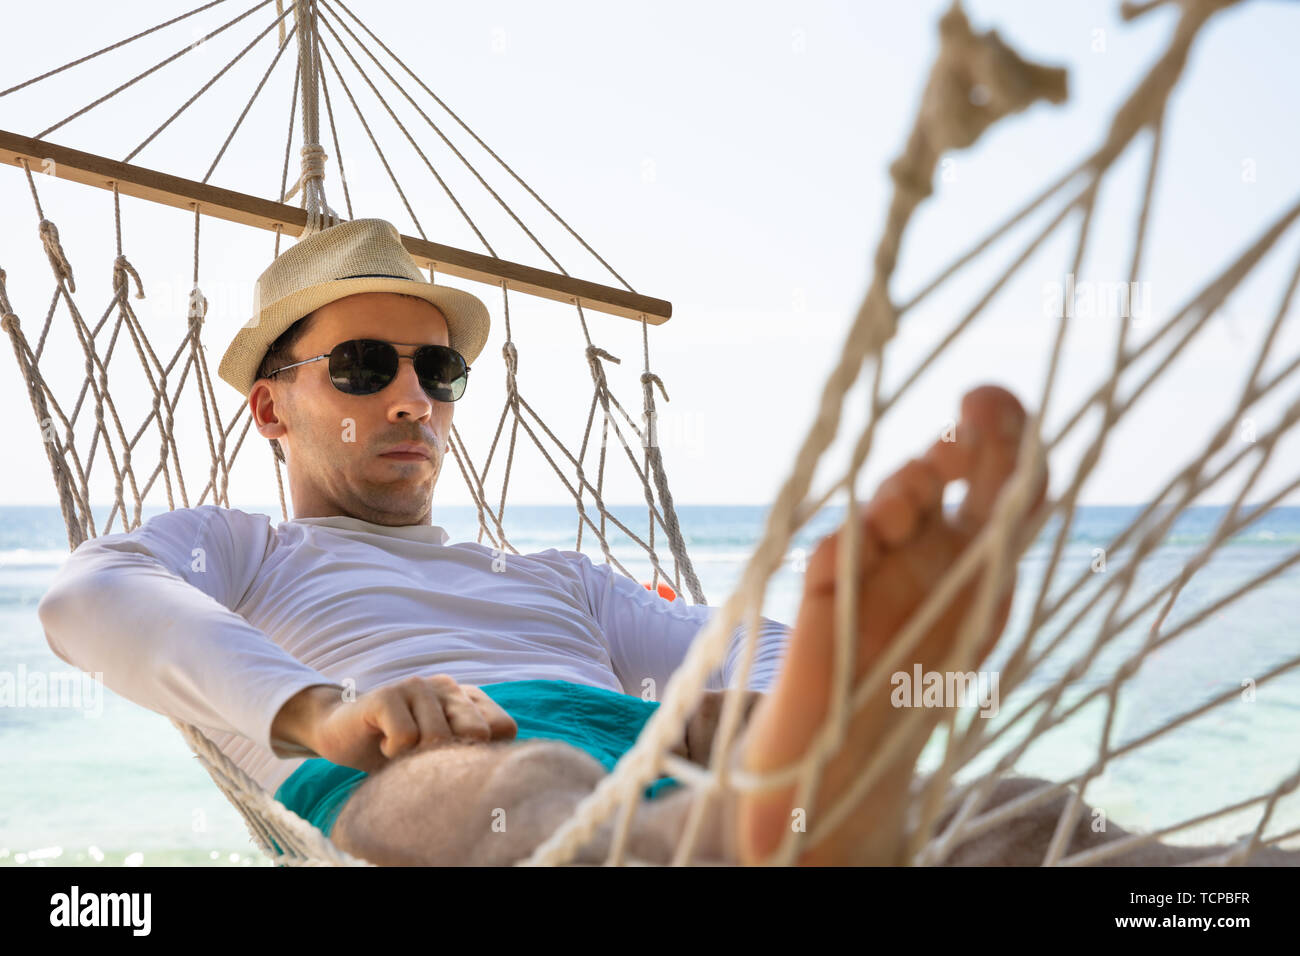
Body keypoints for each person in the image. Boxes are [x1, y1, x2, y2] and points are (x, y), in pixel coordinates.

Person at [37, 219, 1279, 866]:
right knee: (536, 802)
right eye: (367, 365)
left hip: (646, 742)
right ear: (272, 402)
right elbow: (90, 595)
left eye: (442, 368)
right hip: (426, 744)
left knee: (1009, 811)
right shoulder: (245, 547)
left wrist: (830, 669)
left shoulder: (556, 575)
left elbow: (727, 648)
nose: (415, 397)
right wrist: (321, 713)